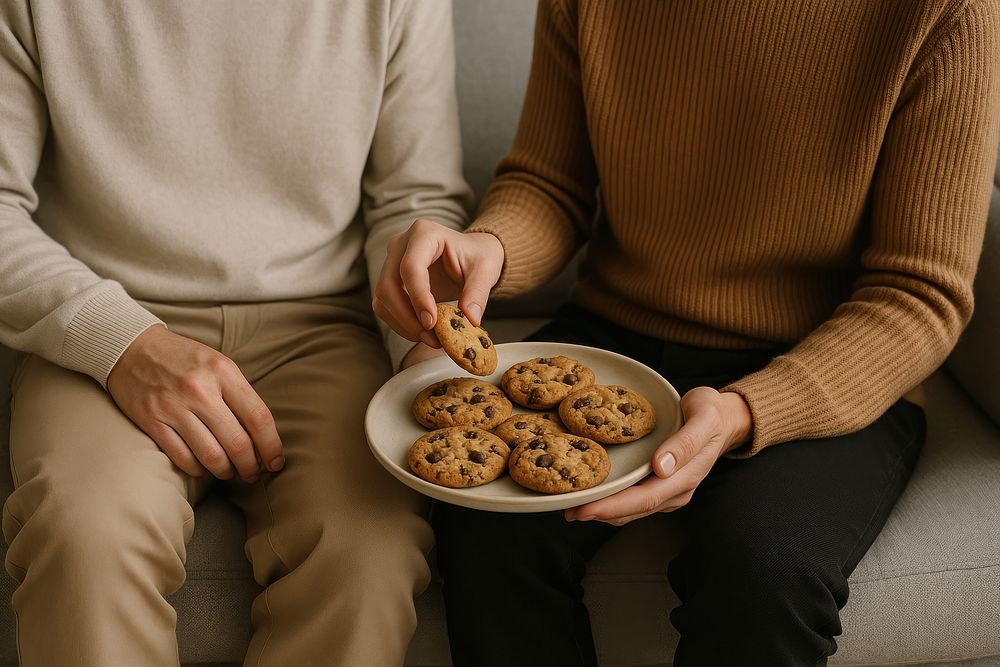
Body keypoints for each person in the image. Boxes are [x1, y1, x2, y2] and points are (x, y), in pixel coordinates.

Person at [374, 0, 1000, 664]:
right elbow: (550, 181)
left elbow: (919, 295)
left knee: (760, 570)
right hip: (615, 337)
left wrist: (746, 412)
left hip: (828, 363)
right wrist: (488, 248)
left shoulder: (949, 11)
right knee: (482, 533)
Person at [0, 1, 471, 665]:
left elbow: (412, 199)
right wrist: (122, 344)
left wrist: (422, 341)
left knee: (371, 553)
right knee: (86, 536)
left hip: (322, 325)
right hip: (101, 332)